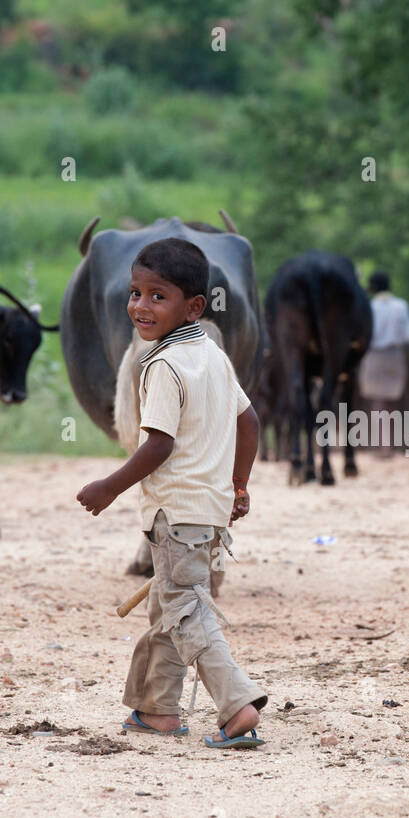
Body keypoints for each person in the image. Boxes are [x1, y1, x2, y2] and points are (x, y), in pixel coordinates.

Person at [76, 237, 268, 750]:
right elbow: (248, 421)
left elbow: (159, 443)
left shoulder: (160, 366)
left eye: (158, 296)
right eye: (135, 293)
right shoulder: (213, 355)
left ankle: (237, 705)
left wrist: (110, 487)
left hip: (174, 511)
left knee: (184, 607)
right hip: (207, 514)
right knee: (166, 605)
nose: (140, 306)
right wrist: (239, 484)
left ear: (194, 307)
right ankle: (157, 711)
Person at [360, 271, 409, 456]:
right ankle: (391, 446)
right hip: (395, 356)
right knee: (392, 400)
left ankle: (383, 447)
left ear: (372, 287)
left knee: (377, 402)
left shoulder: (369, 308)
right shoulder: (401, 306)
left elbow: (364, 335)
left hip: (374, 356)